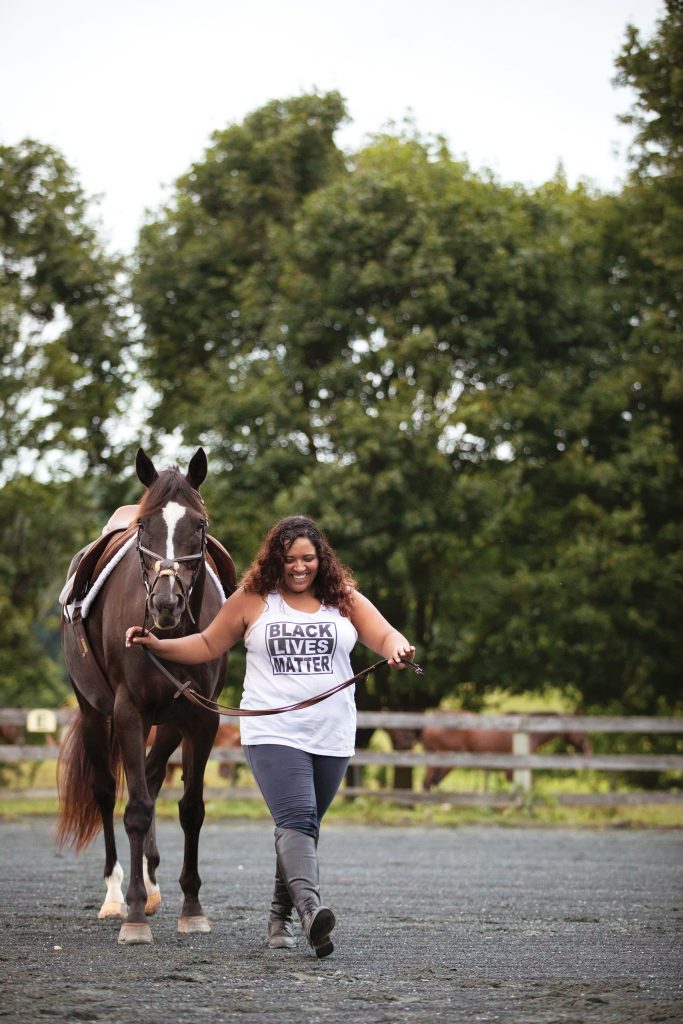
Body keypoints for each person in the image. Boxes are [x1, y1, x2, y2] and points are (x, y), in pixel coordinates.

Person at [125, 514, 415, 958]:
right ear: (274, 560)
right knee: (297, 820)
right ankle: (310, 912)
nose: (299, 567)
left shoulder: (344, 600)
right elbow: (205, 645)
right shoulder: (253, 600)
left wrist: (397, 648)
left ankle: (279, 917)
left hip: (332, 732)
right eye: (290, 559)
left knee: (302, 825)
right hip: (273, 731)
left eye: (308, 558)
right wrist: (155, 644)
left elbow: (385, 634)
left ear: (322, 560)